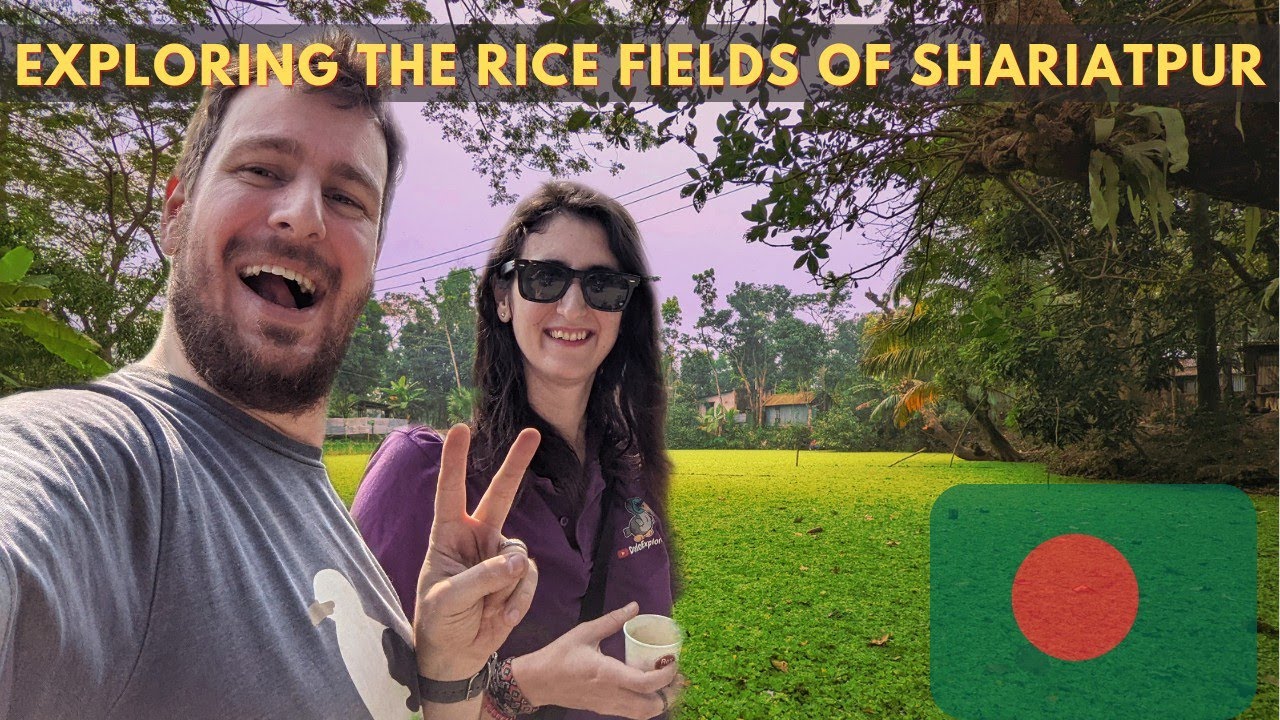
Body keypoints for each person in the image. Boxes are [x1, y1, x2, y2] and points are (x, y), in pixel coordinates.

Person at [0, 32, 538, 720]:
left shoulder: (312, 505)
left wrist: (449, 676)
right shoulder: (104, 462)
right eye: (261, 169)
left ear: (371, 262)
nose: (305, 216)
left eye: (348, 199)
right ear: (174, 212)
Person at [353, 181, 680, 720]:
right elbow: (357, 691)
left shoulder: (632, 480)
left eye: (603, 286)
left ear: (624, 313)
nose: (573, 306)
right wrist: (523, 685)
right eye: (546, 278)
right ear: (504, 298)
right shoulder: (421, 476)